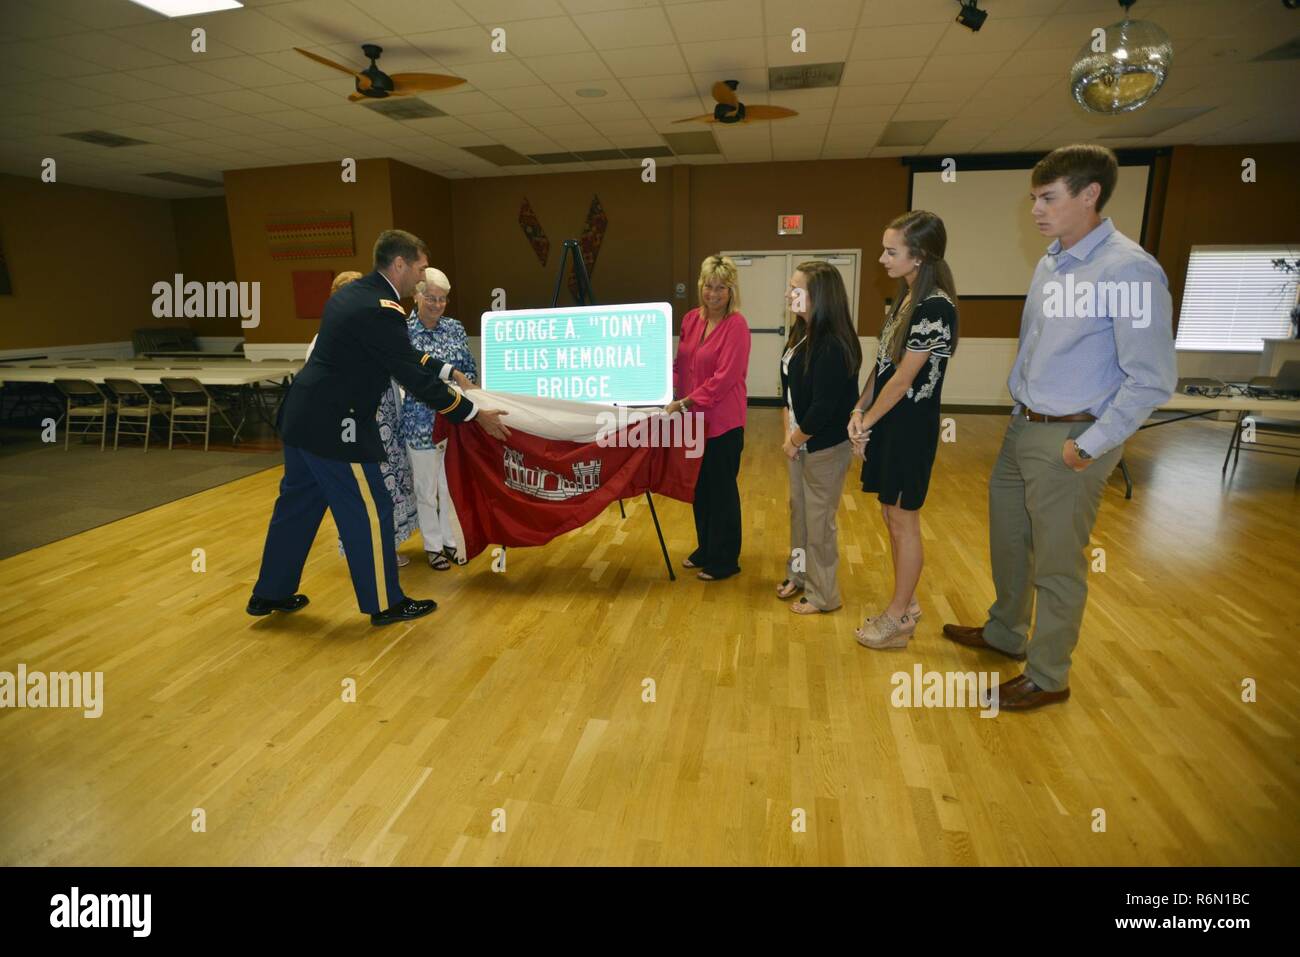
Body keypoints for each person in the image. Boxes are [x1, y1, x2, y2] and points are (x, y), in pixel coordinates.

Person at [942, 144, 1176, 709]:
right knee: (1010, 541)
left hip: (1073, 435)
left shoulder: (1129, 269)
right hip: (1024, 425)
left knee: (1057, 563)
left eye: (1049, 198)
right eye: (1034, 199)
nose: (1037, 210)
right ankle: (1005, 634)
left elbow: (1150, 379)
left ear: (1091, 194)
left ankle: (1048, 675)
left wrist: (1090, 446)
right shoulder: (1052, 261)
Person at [247, 229, 511, 627]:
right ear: (400, 264)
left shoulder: (357, 296)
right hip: (337, 428)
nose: (422, 279)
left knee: (297, 508)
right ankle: (386, 603)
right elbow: (411, 375)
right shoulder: (381, 308)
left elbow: (402, 355)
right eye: (420, 269)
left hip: (302, 418)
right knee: (372, 512)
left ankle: (270, 592)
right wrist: (472, 412)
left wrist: (450, 370)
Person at [850, 211, 959, 648]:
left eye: (891, 251)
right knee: (891, 515)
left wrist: (866, 424)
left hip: (909, 429)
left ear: (922, 255)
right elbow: (883, 366)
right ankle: (906, 604)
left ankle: (898, 617)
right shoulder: (905, 299)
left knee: (904, 520)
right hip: (887, 425)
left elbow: (904, 381)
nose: (881, 258)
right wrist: (859, 410)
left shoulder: (935, 306)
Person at [308, 271, 418, 568]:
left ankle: (388, 545)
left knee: (390, 487)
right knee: (368, 493)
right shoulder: (325, 339)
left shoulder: (370, 330)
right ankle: (373, 554)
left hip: (385, 423)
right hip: (356, 428)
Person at [776, 261, 861, 615]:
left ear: (819, 297)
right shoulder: (800, 333)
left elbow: (824, 407)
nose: (788, 294)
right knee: (799, 513)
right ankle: (799, 572)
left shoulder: (834, 343)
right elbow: (789, 395)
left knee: (819, 521)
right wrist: (790, 436)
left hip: (824, 445)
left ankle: (824, 594)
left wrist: (796, 440)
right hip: (800, 441)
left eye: (796, 289)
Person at [665, 255, 751, 581]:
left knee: (721, 491)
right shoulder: (690, 320)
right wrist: (665, 389)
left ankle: (725, 559)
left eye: (721, 288)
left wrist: (684, 402)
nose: (713, 294)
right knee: (699, 490)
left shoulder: (737, 326)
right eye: (708, 286)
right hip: (692, 422)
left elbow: (724, 378)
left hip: (722, 424)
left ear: (731, 291)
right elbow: (680, 365)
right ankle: (706, 548)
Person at [401, 267, 478, 570]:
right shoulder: (402, 331)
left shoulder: (455, 328)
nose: (436, 304)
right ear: (416, 295)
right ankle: (432, 545)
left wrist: (459, 386)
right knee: (426, 488)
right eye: (431, 297)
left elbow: (469, 370)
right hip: (420, 422)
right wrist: (448, 385)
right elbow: (411, 376)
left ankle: (451, 540)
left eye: (443, 299)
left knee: (449, 485)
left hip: (454, 422)